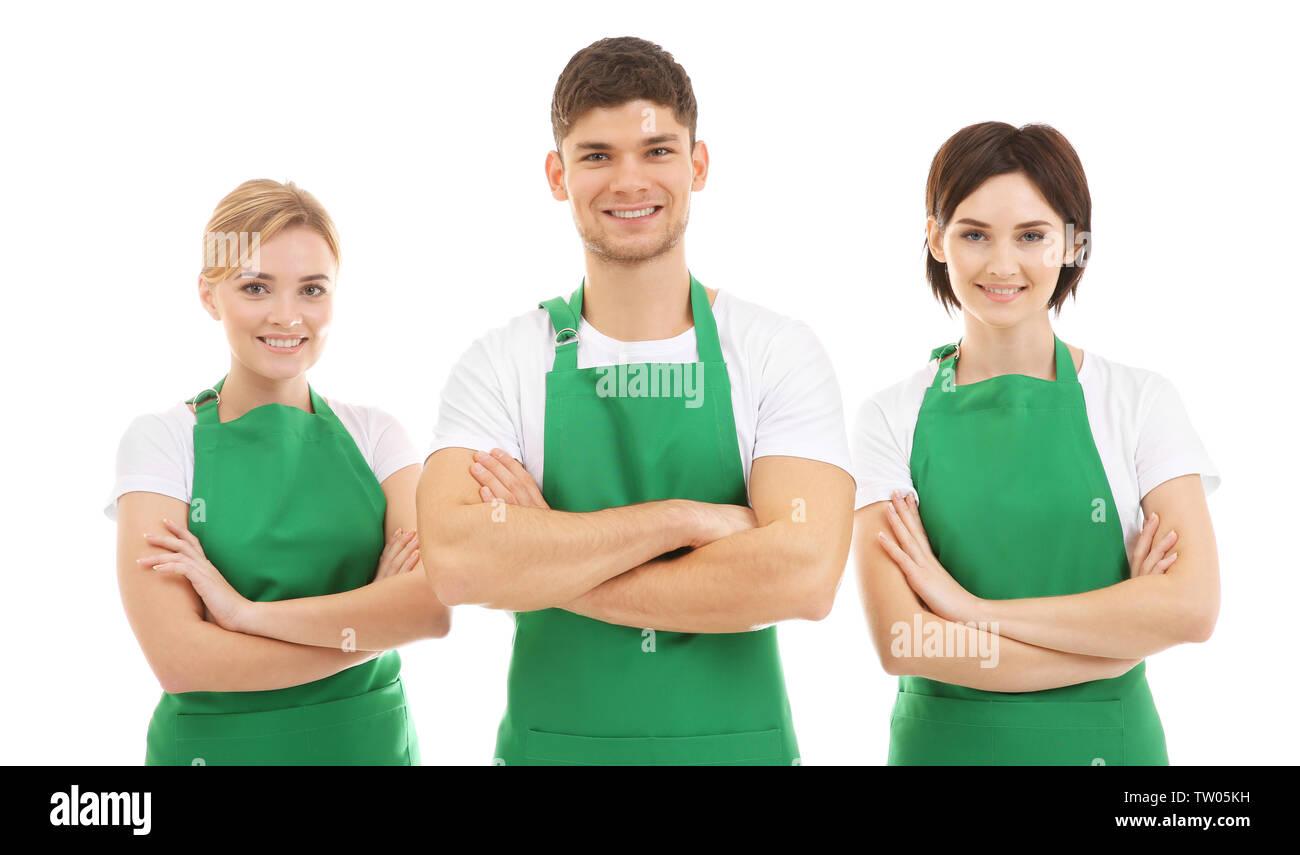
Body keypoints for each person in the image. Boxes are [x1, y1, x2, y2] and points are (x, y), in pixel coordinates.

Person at [418, 36, 856, 765]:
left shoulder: (776, 349)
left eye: (656, 150)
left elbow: (805, 575)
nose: (628, 180)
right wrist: (687, 519)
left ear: (698, 164)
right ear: (558, 175)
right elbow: (459, 563)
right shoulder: (503, 360)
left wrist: (551, 553)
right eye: (596, 155)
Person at [851, 122, 1221, 765]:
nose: (1002, 265)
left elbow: (1190, 608)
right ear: (936, 240)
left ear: (1071, 245)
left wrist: (962, 607)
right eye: (973, 234)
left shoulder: (1140, 401)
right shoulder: (888, 417)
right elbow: (904, 641)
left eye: (1031, 236)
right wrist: (1119, 640)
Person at [107, 179, 449, 765]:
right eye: (256, 287)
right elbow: (182, 662)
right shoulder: (163, 442)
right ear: (210, 295)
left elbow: (429, 610)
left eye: (311, 289)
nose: (287, 317)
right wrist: (372, 619)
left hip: (367, 747)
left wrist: (245, 617)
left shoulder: (379, 436)